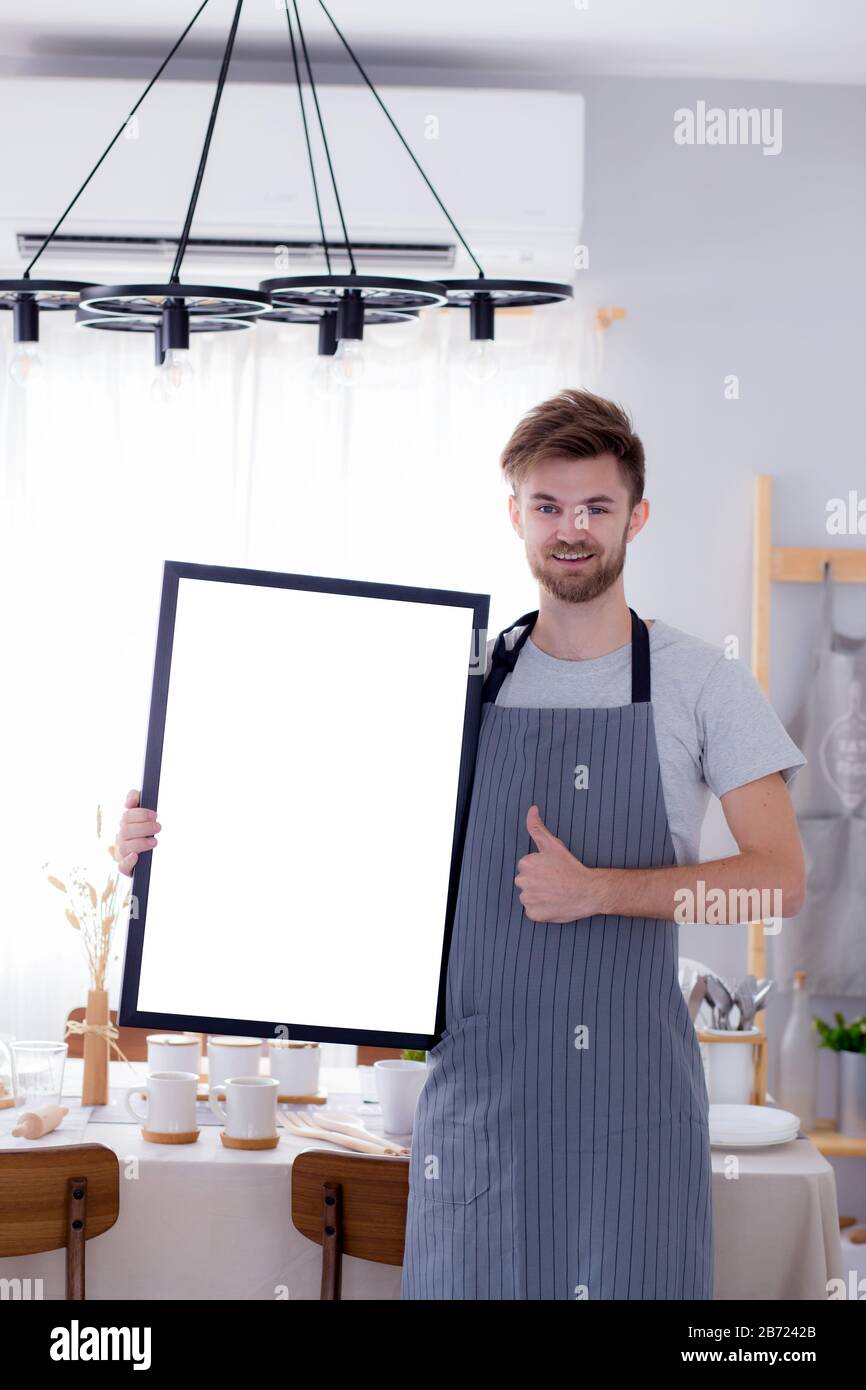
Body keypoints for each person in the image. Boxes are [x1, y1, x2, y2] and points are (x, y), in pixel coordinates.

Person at [115, 388, 807, 1301]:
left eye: (597, 507)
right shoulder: (459, 679)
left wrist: (598, 890)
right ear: (514, 515)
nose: (572, 529)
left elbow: (780, 883)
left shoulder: (702, 681)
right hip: (483, 1105)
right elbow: (328, 827)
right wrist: (168, 841)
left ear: (636, 517)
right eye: (548, 506)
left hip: (634, 1108)